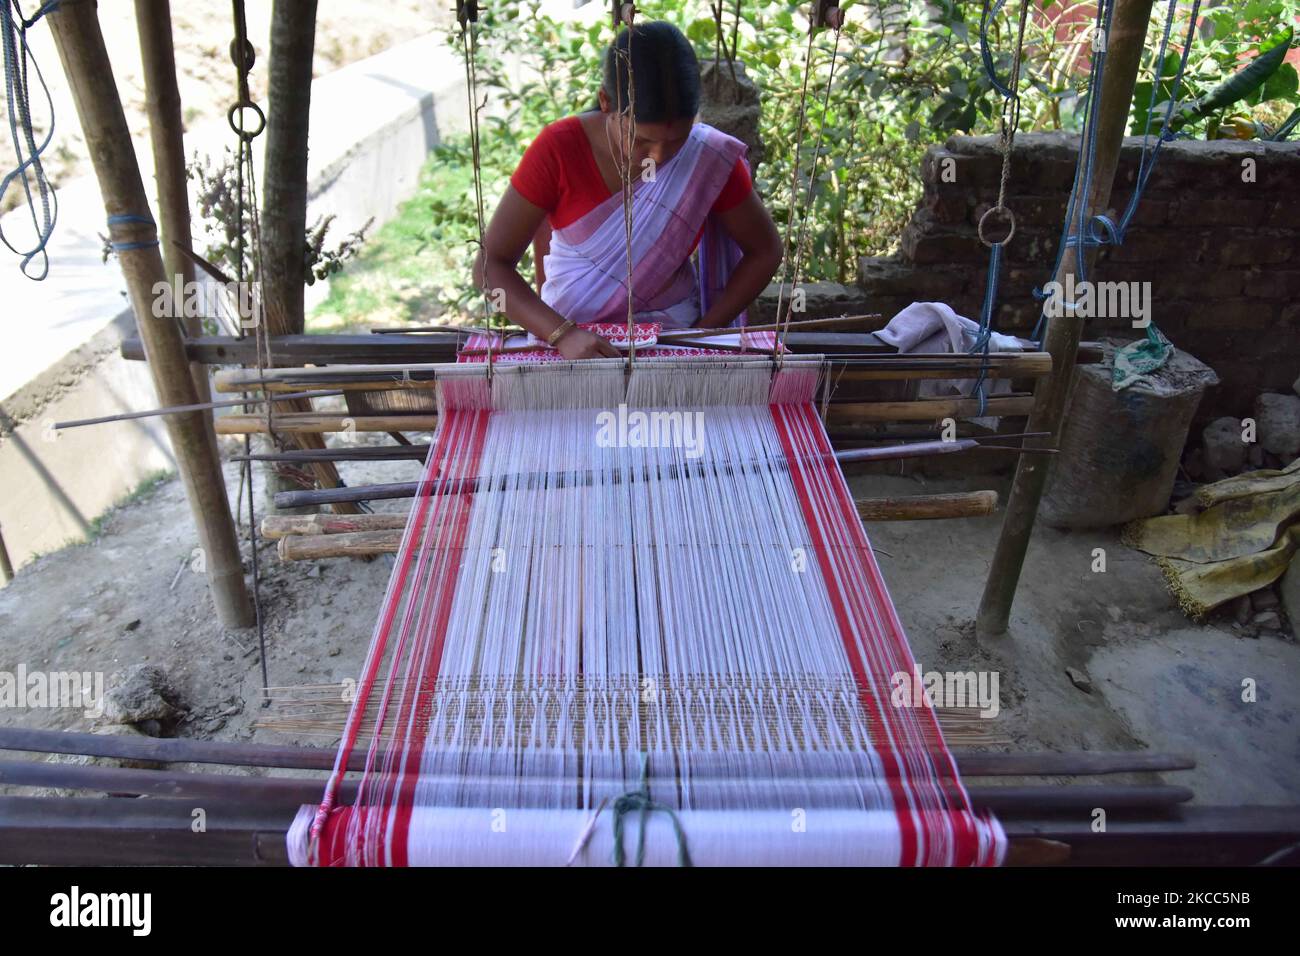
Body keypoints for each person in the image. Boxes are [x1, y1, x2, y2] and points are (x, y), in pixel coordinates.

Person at [475, 20, 784, 360]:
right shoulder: (559, 149)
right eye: (643, 140)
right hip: (569, 339)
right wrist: (562, 333)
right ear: (605, 101)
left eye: (677, 141)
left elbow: (765, 251)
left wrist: (702, 334)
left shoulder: (707, 157)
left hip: (672, 338)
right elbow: (490, 268)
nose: (659, 156)